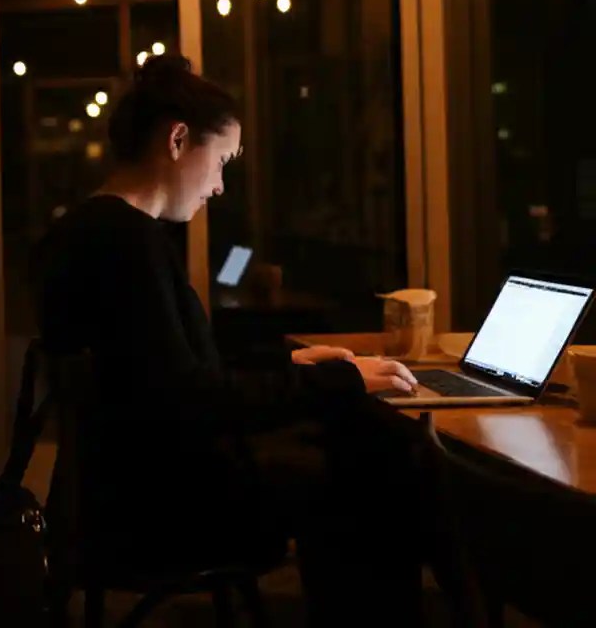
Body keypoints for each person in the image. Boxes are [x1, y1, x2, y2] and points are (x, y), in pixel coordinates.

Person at [36, 55, 429, 626]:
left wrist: (292, 360)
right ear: (177, 139)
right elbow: (192, 400)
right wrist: (339, 378)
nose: (219, 185)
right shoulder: (129, 246)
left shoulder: (86, 233)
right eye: (220, 161)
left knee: (346, 442)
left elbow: (169, 369)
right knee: (374, 463)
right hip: (161, 512)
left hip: (115, 491)